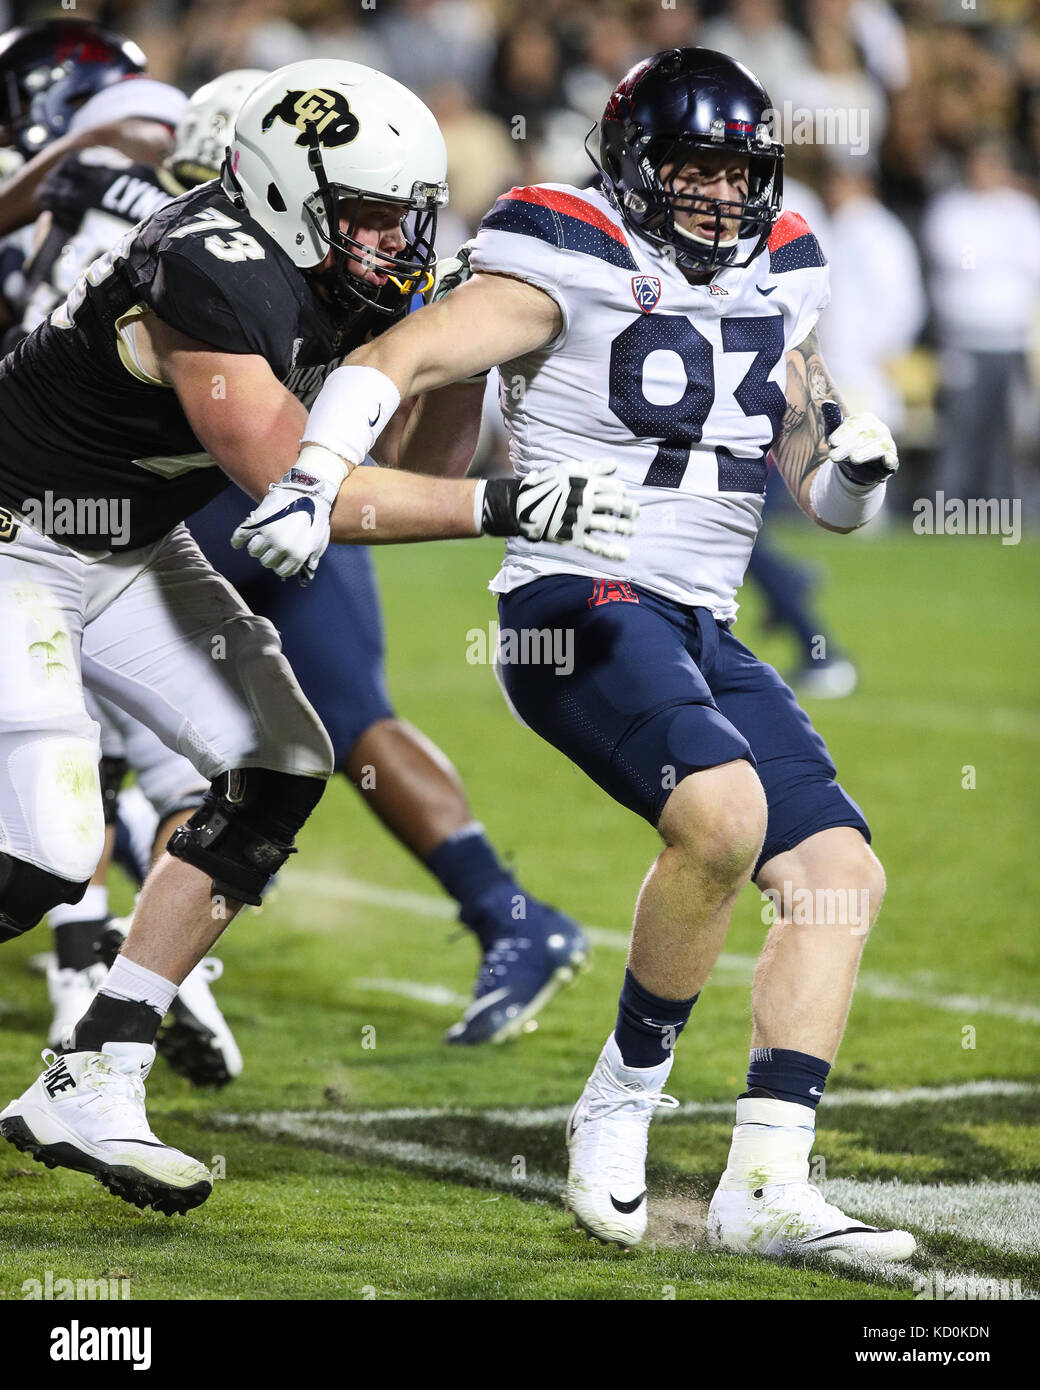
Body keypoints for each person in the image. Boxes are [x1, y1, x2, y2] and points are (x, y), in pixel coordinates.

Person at [257, 47, 917, 1265]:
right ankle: (621, 1099)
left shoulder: (783, 273)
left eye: (738, 173)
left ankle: (763, 1181)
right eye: (692, 170)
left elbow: (816, 494)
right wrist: (310, 478)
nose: (720, 198)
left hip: (696, 622)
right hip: (575, 597)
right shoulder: (565, 250)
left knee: (839, 876)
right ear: (630, 169)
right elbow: (386, 360)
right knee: (719, 817)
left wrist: (858, 473)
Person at [0, 58, 634, 1217]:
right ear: (292, 192)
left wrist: (450, 345)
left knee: (285, 758)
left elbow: (416, 472)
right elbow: (300, 488)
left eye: (409, 217)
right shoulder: (205, 261)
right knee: (49, 848)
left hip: (126, 544)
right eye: (375, 216)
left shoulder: (336, 267)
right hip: (13, 538)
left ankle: (95, 1074)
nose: (398, 239)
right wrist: (503, 505)